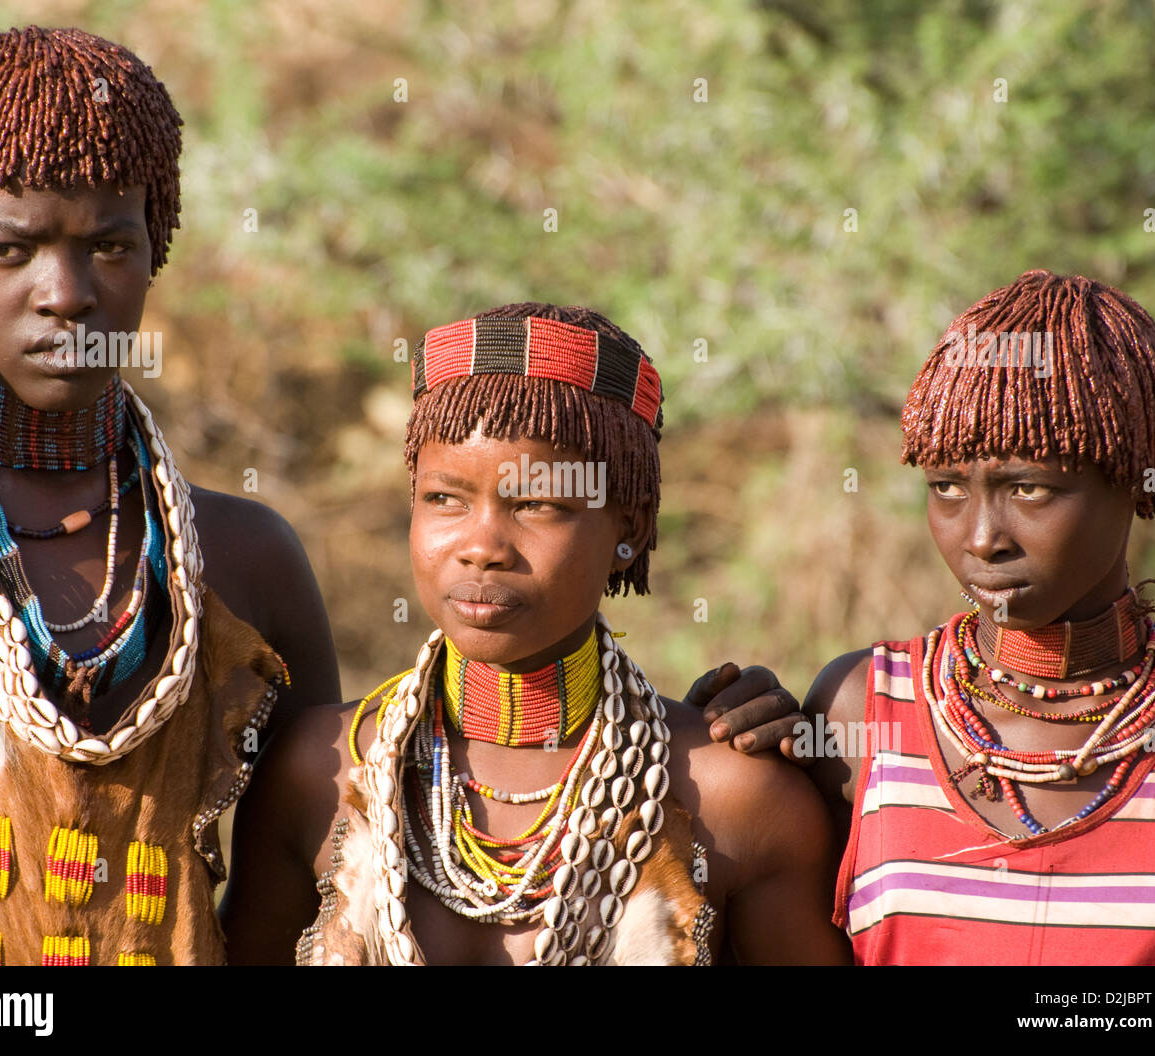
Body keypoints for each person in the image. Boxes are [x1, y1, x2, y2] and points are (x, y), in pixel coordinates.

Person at [220, 303, 848, 965]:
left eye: (537, 504)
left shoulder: (734, 798)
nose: (481, 546)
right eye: (445, 498)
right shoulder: (319, 770)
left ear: (628, 531)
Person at [0, 26, 339, 965]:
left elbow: (328, 876)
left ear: (157, 251)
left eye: (109, 244)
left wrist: (700, 728)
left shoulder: (244, 557)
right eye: (9, 251)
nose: (66, 293)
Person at [732, 270, 1155, 964]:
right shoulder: (862, 710)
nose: (982, 537)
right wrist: (744, 777)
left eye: (1031, 487)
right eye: (947, 487)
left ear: (1131, 476)